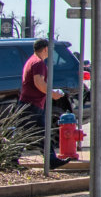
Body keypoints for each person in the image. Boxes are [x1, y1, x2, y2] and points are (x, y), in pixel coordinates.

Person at [20, 38, 71, 168]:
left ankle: (50, 160)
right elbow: (39, 83)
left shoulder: (31, 61)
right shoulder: (38, 63)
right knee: (33, 133)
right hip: (32, 105)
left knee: (34, 134)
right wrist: (53, 94)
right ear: (45, 49)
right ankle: (50, 160)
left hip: (29, 104)